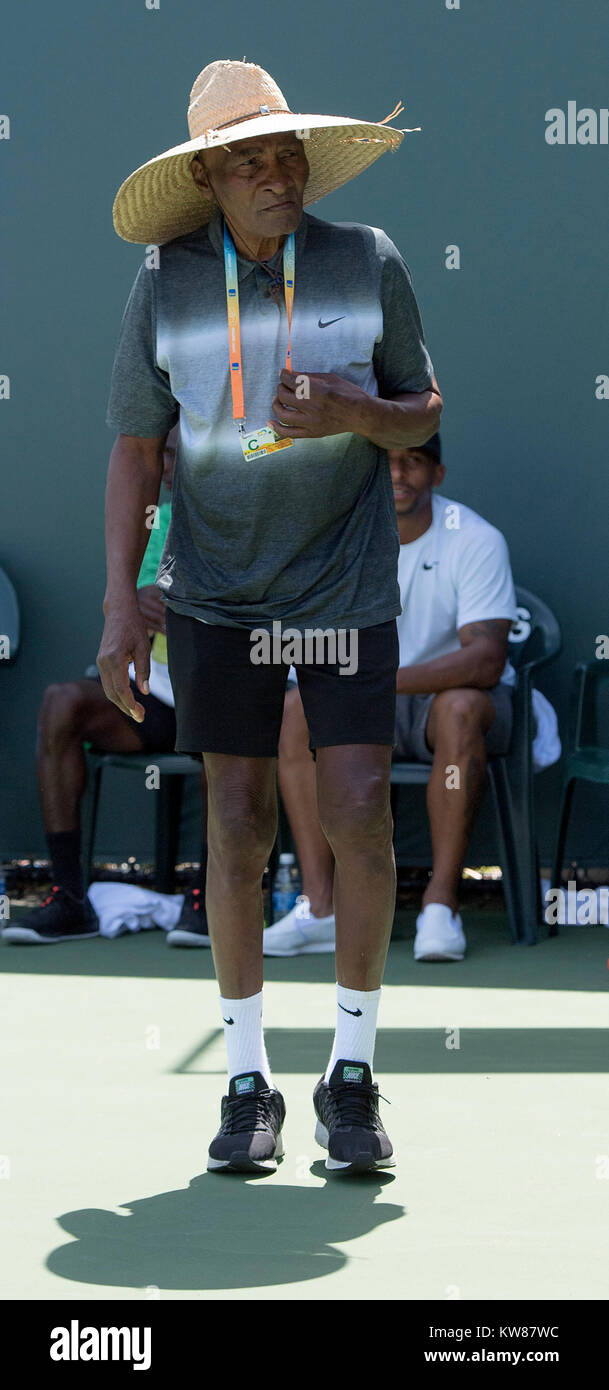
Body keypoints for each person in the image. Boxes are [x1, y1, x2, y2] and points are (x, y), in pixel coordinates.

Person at [98, 59, 442, 1175]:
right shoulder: (164, 281)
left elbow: (422, 413)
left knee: (360, 814)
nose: (278, 175)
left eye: (288, 154)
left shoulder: (366, 258)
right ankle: (247, 1084)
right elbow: (136, 448)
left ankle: (352, 1076)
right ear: (209, 178)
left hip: (343, 585)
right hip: (214, 594)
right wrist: (121, 598)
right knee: (239, 825)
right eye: (250, 160)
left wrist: (353, 410)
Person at [266, 431, 518, 962]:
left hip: (446, 702)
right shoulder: (340, 536)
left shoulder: (474, 538)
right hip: (366, 697)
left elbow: (486, 661)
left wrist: (377, 680)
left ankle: (440, 906)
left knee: (460, 708)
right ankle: (321, 908)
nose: (399, 474)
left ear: (438, 474)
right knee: (295, 711)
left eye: (415, 461)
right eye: (388, 462)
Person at [2, 428, 208, 945]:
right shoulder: (156, 522)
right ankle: (71, 899)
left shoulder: (251, 522)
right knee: (61, 702)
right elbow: (135, 607)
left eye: (182, 457)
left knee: (226, 734)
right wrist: (138, 605)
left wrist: (193, 615)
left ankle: (209, 897)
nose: (170, 470)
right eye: (165, 457)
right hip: (156, 697)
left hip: (224, 695)